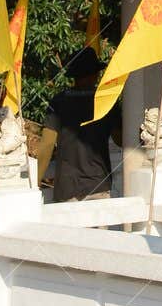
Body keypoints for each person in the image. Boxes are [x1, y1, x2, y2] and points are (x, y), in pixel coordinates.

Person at [35, 48, 120, 202]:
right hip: (98, 183)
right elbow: (120, 139)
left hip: (67, 186)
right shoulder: (106, 101)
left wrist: (35, 182)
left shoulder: (59, 101)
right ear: (96, 74)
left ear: (73, 76)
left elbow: (47, 144)